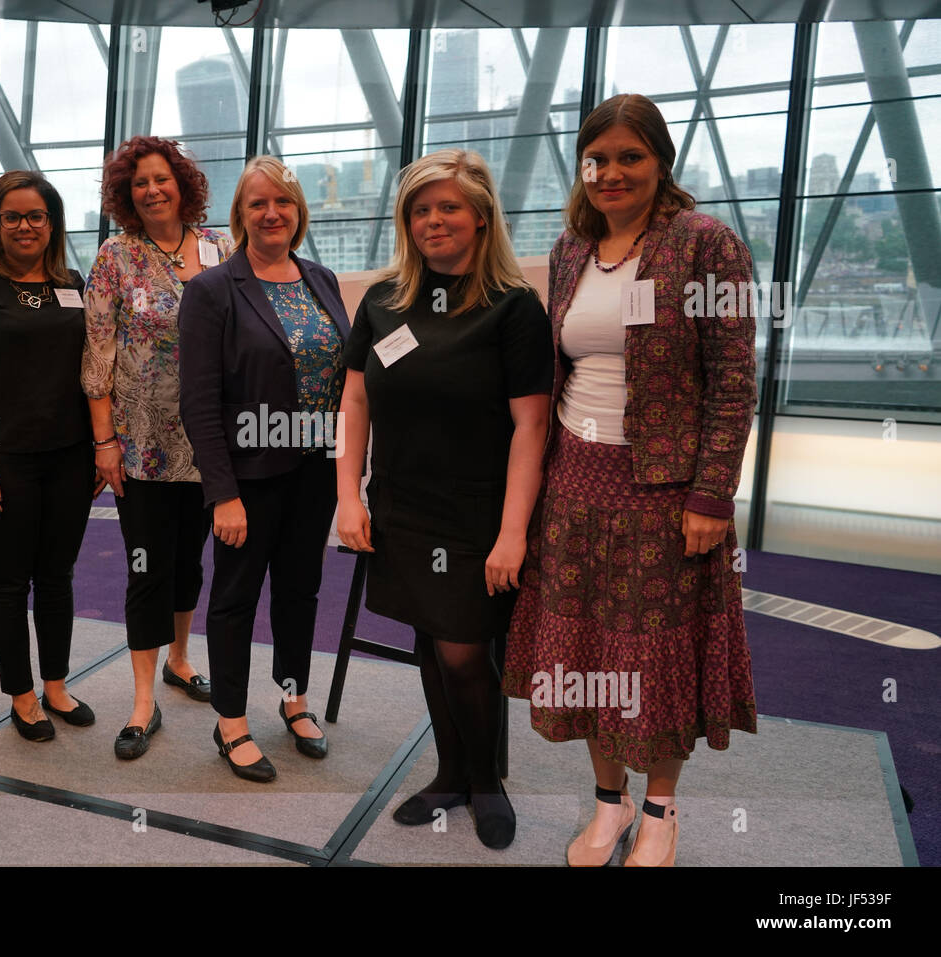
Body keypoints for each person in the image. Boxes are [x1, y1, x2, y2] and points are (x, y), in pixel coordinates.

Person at [503, 93, 759, 867]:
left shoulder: (706, 245)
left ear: (661, 161)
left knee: (654, 656)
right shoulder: (572, 249)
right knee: (585, 651)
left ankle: (660, 809)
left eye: (628, 157)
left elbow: (735, 379)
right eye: (597, 159)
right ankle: (608, 805)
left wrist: (712, 494)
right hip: (574, 483)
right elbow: (563, 367)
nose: (610, 172)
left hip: (665, 489)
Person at [336, 149, 553, 849]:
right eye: (421, 209)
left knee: (465, 651)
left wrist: (513, 531)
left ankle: (487, 780)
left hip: (477, 512)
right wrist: (349, 494)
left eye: (449, 207)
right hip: (401, 503)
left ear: (482, 216)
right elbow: (356, 397)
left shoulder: (513, 308)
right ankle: (451, 772)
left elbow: (532, 424)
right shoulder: (383, 301)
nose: (434, 220)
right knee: (431, 641)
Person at [179, 155, 347, 782]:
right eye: (257, 203)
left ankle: (295, 698)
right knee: (236, 597)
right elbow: (197, 401)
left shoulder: (322, 279)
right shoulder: (213, 290)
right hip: (248, 477)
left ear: (298, 211)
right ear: (240, 215)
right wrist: (222, 494)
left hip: (315, 470)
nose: (272, 212)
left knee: (301, 590)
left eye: (283, 201)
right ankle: (231, 722)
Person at [83, 136, 235, 760]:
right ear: (126, 194)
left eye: (162, 179)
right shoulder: (114, 258)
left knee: (191, 562)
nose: (152, 190)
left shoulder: (225, 247)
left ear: (183, 186)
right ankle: (144, 701)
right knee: (147, 568)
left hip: (214, 444)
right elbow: (98, 356)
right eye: (139, 182)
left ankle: (178, 658)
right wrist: (104, 443)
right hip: (141, 445)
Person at [0, 170, 98, 743]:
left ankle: (55, 684)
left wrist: (97, 451)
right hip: (3, 459)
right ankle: (22, 696)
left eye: (36, 216)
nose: (26, 226)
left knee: (57, 576)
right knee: (10, 581)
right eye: (13, 217)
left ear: (51, 222)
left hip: (69, 458)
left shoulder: (73, 283)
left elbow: (92, 370)